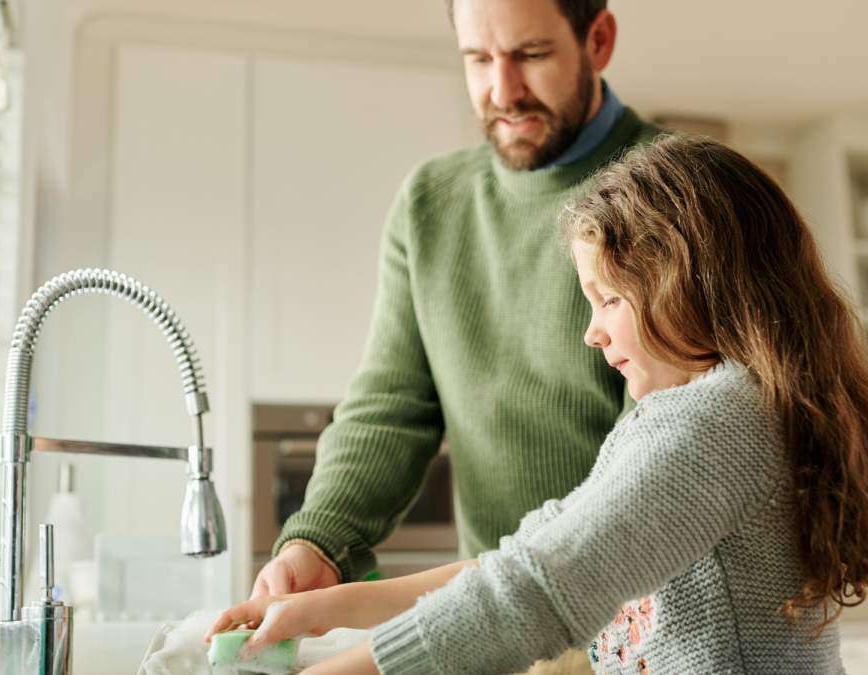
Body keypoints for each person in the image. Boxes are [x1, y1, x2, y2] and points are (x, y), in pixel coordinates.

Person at [210, 136, 868, 674]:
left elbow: (534, 591)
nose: (592, 332)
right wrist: (322, 609)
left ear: (681, 282)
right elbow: (526, 556)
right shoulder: (683, 415)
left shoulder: (716, 423)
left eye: (607, 298)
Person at [256, 1, 659, 670]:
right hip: (500, 623)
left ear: (599, 38)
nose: (502, 91)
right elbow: (390, 407)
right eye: (478, 59)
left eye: (530, 55)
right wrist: (318, 543)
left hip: (640, 633)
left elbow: (651, 475)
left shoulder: (679, 190)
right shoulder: (429, 204)